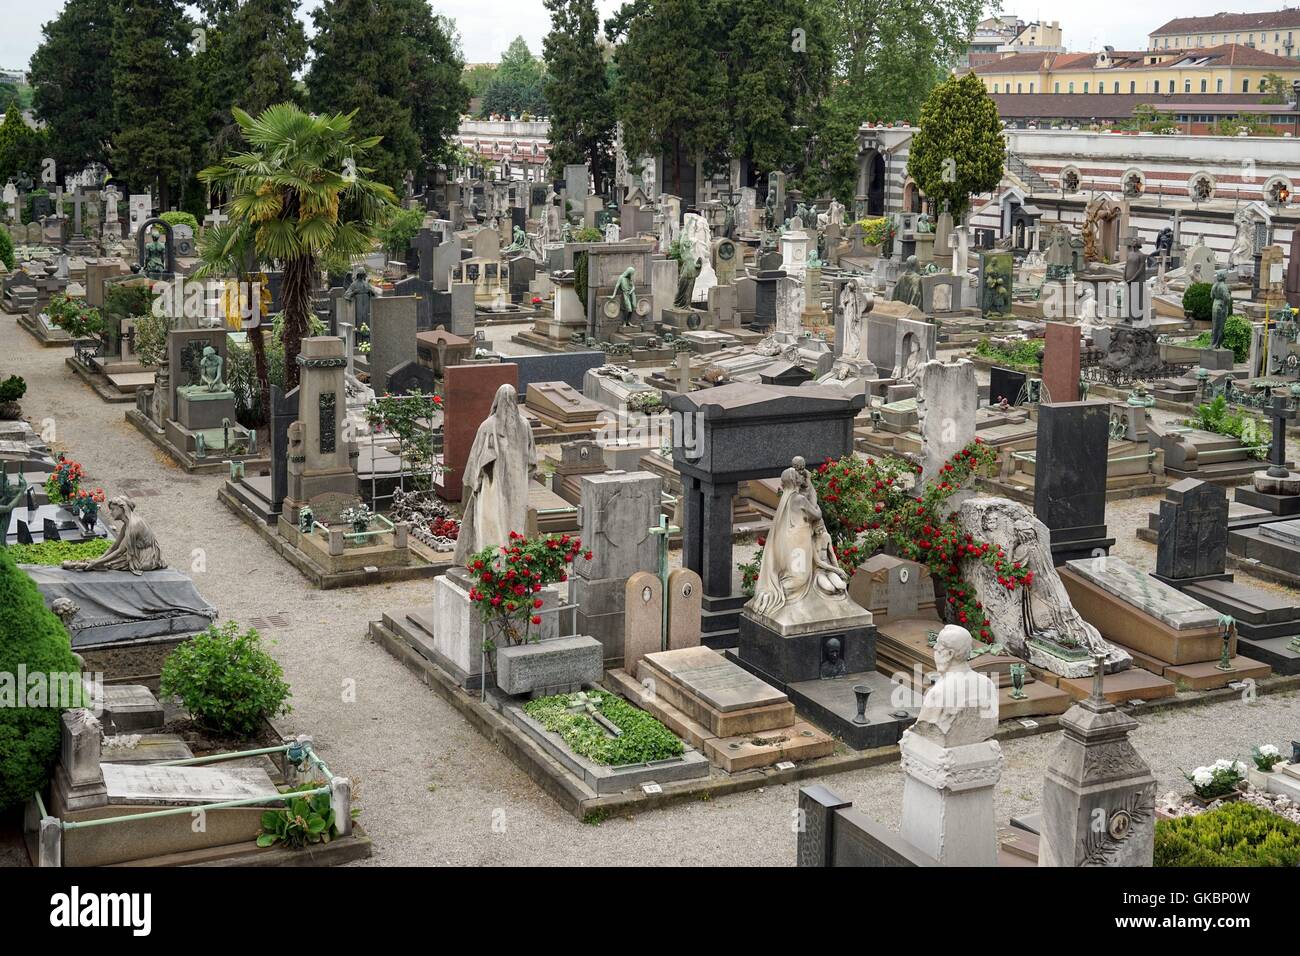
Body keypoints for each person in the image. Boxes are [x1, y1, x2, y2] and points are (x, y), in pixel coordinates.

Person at [453, 384, 537, 565]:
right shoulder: (524, 425)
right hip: (515, 485)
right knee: (512, 521)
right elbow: (532, 462)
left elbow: (476, 460)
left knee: (493, 520)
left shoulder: (488, 425)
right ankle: (512, 558)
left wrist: (475, 482)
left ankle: (494, 561)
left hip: (493, 485)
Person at [62, 496, 166, 576]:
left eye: (113, 509)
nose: (111, 513)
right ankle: (83, 563)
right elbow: (115, 546)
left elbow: (120, 550)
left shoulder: (134, 525)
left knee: (112, 563)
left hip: (145, 558)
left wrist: (97, 563)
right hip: (137, 553)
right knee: (108, 562)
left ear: (123, 508)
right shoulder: (127, 524)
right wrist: (99, 559)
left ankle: (79, 564)